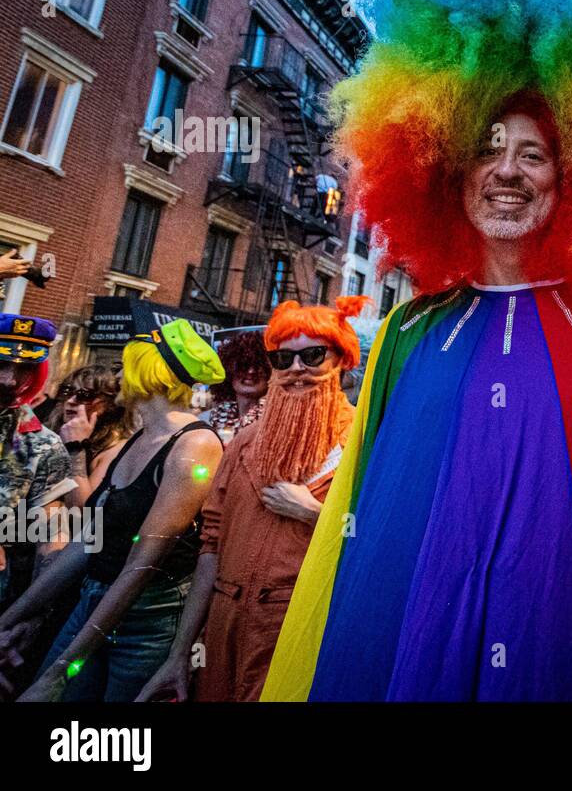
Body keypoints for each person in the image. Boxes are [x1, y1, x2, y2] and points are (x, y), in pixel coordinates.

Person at [262, 0, 572, 702]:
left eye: (534, 154)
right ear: (446, 171)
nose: (508, 170)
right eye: (487, 149)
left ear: (571, 176)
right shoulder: (405, 332)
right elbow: (356, 522)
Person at [138, 297, 364, 702]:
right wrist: (180, 651)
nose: (296, 369)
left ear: (341, 361)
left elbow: (383, 547)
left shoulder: (364, 446)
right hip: (225, 631)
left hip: (299, 628)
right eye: (282, 359)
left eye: (313, 355)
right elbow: (211, 547)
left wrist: (317, 515)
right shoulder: (243, 444)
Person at [0, 319, 224, 702]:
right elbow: (89, 541)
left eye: (125, 365)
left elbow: (141, 564)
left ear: (146, 370)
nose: (118, 376)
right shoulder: (140, 438)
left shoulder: (195, 445)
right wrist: (12, 619)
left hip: (146, 621)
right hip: (95, 601)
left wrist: (59, 672)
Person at [0, 315, 72, 613]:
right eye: (1, 364)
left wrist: (34, 613)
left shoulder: (46, 445)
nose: (9, 380)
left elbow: (52, 534)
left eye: (25, 369)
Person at [54, 365, 134, 507]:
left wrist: (75, 449)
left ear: (110, 403)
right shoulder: (54, 429)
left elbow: (82, 512)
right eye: (67, 392)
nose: (71, 401)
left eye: (84, 395)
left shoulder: (115, 448)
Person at [206, 329, 270, 443]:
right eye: (243, 365)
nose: (250, 371)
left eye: (258, 366)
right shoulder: (213, 416)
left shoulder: (275, 418)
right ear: (229, 370)